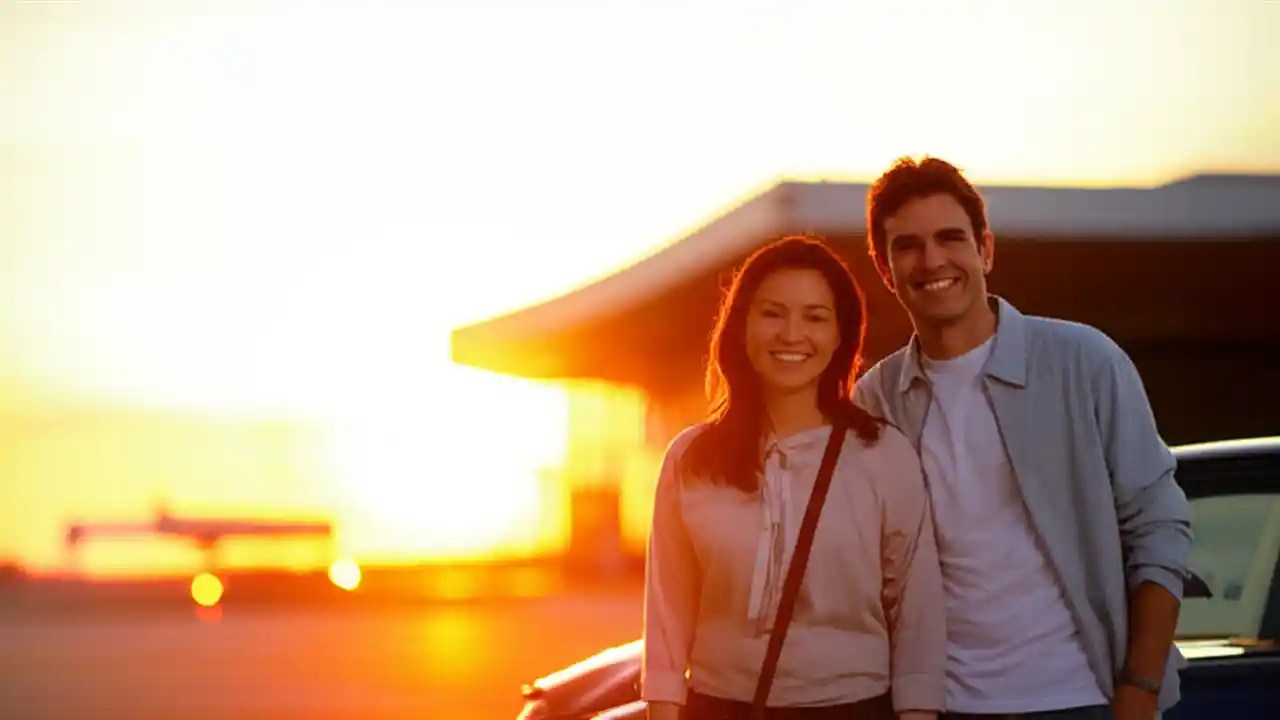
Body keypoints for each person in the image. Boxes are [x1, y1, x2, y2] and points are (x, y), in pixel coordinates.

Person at [853, 157, 1193, 720]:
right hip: (946, 707)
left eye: (950, 238)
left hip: (1084, 699)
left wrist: (1140, 685)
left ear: (985, 249)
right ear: (885, 270)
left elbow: (1159, 527)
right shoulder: (876, 400)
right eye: (908, 246)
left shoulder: (1085, 362)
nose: (932, 260)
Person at [641, 236, 946, 720]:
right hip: (718, 706)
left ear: (842, 334)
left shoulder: (883, 456)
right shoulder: (691, 458)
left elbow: (917, 614)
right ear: (741, 326)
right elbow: (667, 616)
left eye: (815, 317)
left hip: (853, 708)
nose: (791, 334)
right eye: (772, 314)